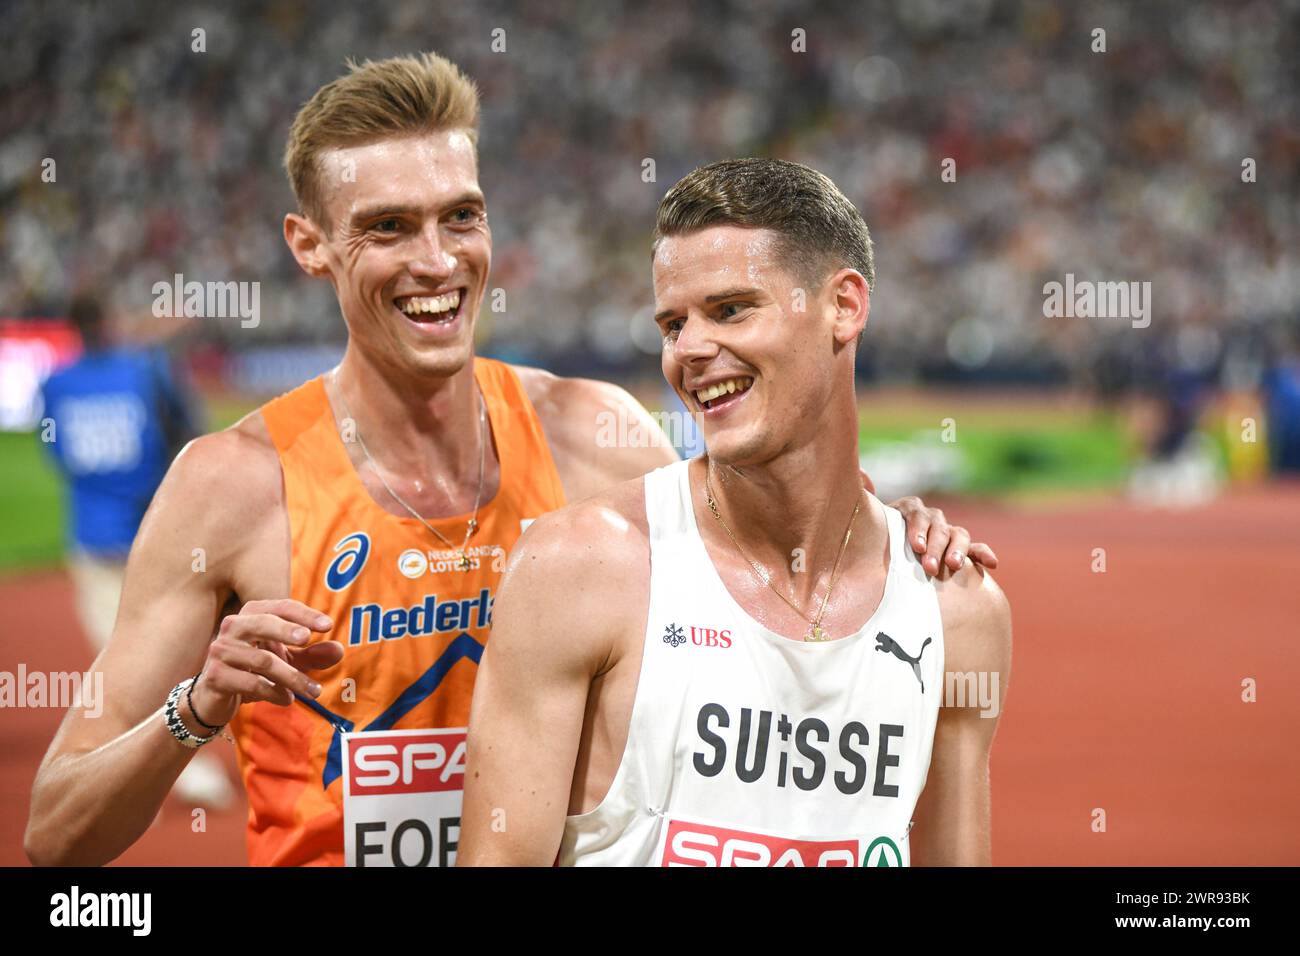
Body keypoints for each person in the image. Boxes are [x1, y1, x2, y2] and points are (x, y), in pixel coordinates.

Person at [26, 55, 989, 868]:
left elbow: (768, 539)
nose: (439, 261)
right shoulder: (232, 487)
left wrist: (897, 532)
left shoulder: (595, 435)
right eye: (389, 228)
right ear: (310, 246)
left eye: (462, 216)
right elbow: (56, 831)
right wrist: (196, 709)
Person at [459, 158, 1013, 866]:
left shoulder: (958, 613)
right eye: (671, 324)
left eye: (730, 309)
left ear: (843, 306)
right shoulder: (579, 571)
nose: (689, 349)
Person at [38, 294, 229, 807]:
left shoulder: (55, 383)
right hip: (158, 530)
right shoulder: (147, 371)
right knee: (181, 648)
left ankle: (164, 759)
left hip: (94, 537)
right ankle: (187, 753)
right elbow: (191, 436)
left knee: (120, 658)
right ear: (109, 319)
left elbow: (55, 451)